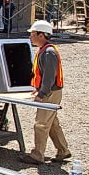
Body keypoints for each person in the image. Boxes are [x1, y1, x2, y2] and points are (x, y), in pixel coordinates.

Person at [21, 20, 71, 165]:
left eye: (33, 34)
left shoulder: (49, 53)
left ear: (41, 35)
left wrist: (42, 94)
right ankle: (63, 150)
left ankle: (37, 155)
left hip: (50, 93)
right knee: (52, 123)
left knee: (41, 124)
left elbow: (49, 77)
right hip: (51, 92)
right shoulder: (45, 50)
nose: (30, 37)